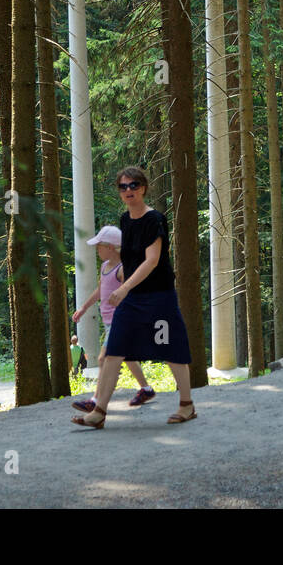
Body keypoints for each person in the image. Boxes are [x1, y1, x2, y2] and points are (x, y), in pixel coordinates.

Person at [71, 167, 196, 429]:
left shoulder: (155, 220)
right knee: (114, 351)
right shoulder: (125, 220)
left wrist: (123, 287)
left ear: (143, 188)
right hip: (133, 300)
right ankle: (99, 411)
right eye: (123, 186)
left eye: (133, 185)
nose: (128, 190)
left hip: (159, 298)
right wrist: (116, 286)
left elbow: (152, 261)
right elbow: (130, 259)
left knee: (171, 349)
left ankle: (187, 405)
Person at [71, 224, 156, 412]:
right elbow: (101, 290)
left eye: (99, 246)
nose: (96, 249)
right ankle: (146, 389)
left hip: (122, 321)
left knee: (103, 359)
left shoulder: (122, 268)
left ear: (110, 247)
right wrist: (84, 308)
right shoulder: (104, 267)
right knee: (127, 357)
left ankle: (95, 401)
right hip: (109, 322)